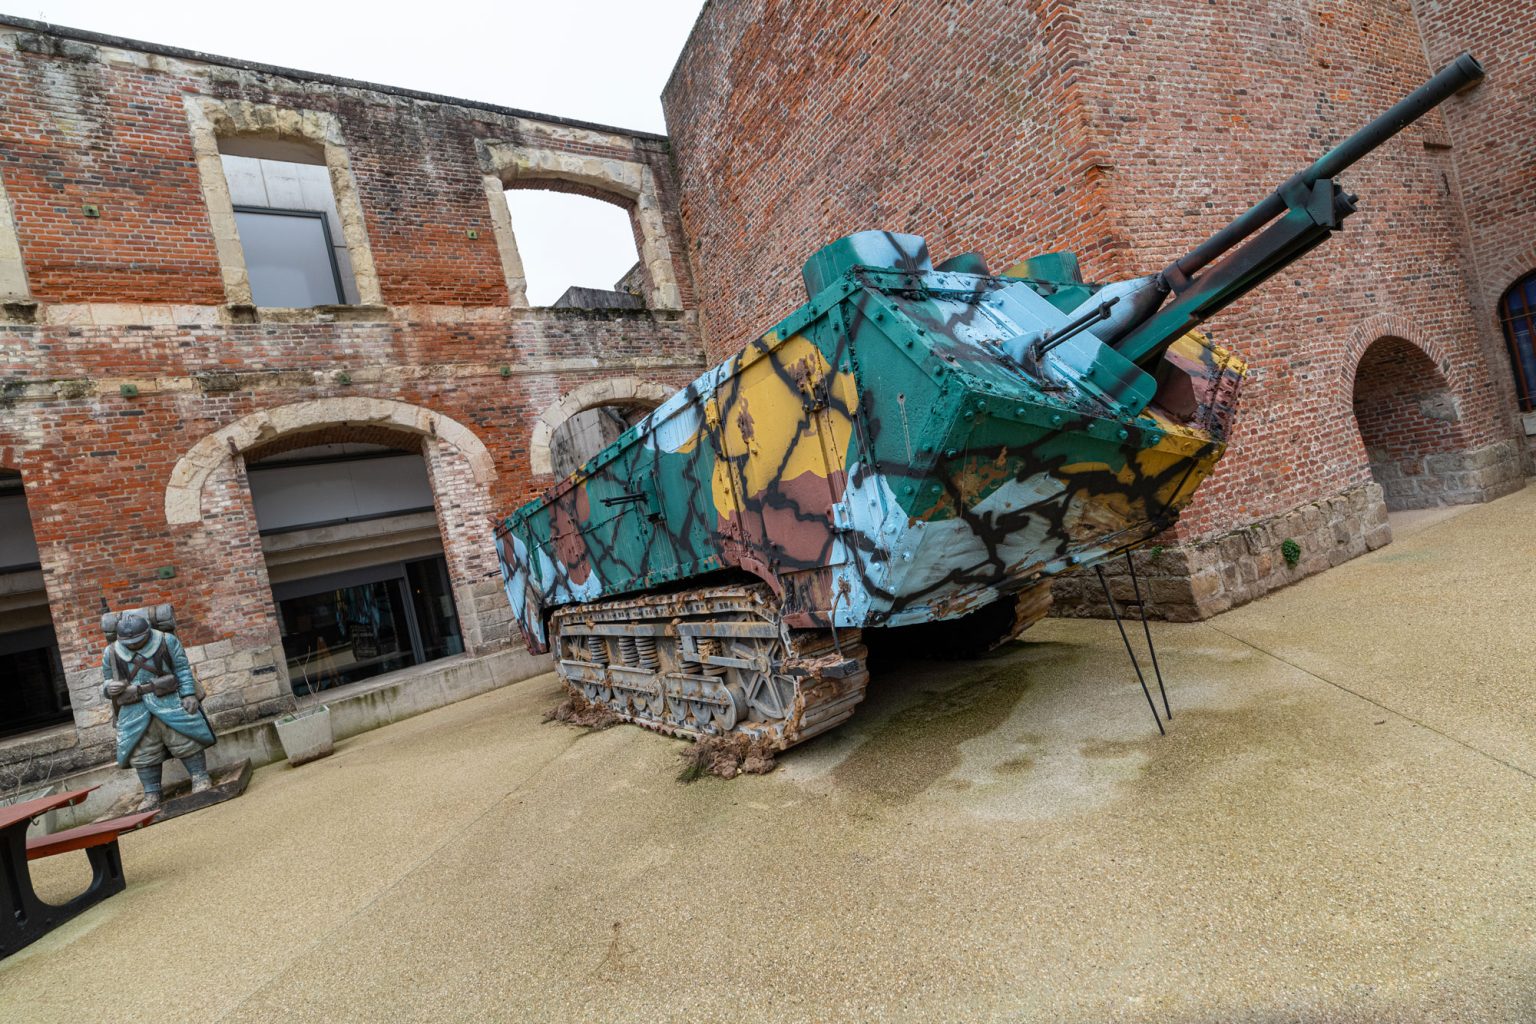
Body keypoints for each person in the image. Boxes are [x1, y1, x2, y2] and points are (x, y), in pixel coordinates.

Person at [102, 613, 216, 810]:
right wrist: (109, 687)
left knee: (184, 739)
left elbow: (182, 668)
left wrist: (188, 694)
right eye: (129, 643)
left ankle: (199, 776)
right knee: (142, 750)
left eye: (138, 641)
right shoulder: (110, 652)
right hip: (134, 707)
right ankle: (152, 792)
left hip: (168, 699)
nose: (134, 645)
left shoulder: (166, 641)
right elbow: (105, 679)